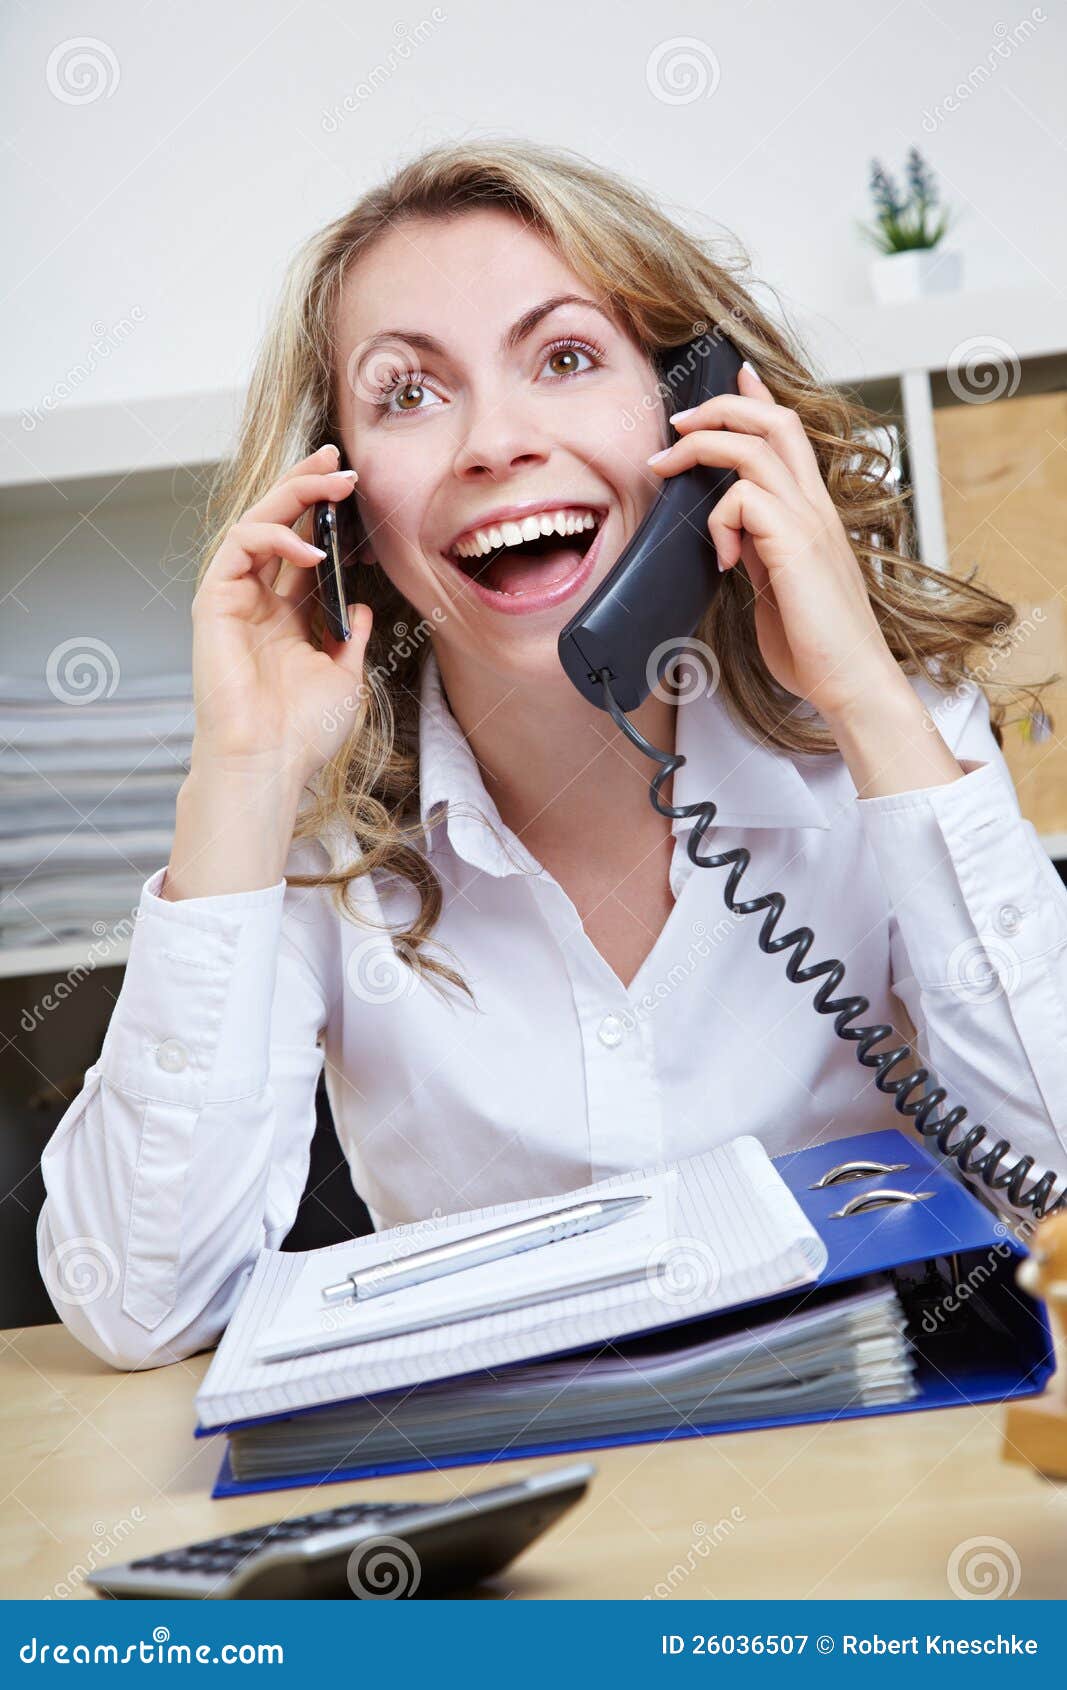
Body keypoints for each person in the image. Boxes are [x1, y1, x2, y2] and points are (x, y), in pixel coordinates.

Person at [37, 138, 1067, 1372]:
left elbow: (1055, 1176)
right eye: (407, 394)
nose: (494, 442)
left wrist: (864, 694)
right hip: (508, 1480)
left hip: (875, 1452)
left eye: (564, 358)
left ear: (695, 413)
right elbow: (139, 1305)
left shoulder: (885, 738)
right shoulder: (314, 839)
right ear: (341, 509)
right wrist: (242, 777)